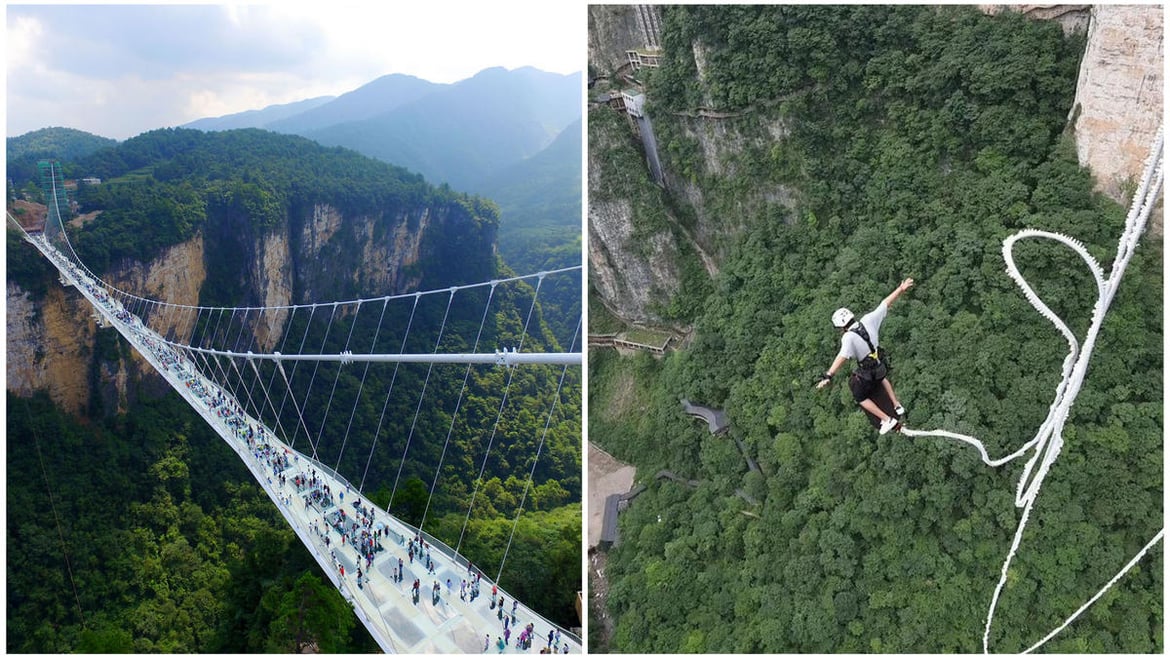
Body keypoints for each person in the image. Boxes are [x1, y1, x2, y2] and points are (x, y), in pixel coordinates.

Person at [816, 278, 914, 434]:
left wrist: (829, 375)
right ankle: (896, 404)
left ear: (842, 327)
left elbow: (842, 357)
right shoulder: (868, 320)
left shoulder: (848, 337)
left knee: (860, 397)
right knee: (883, 379)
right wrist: (901, 289)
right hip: (880, 366)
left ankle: (886, 419)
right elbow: (885, 303)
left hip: (869, 374)